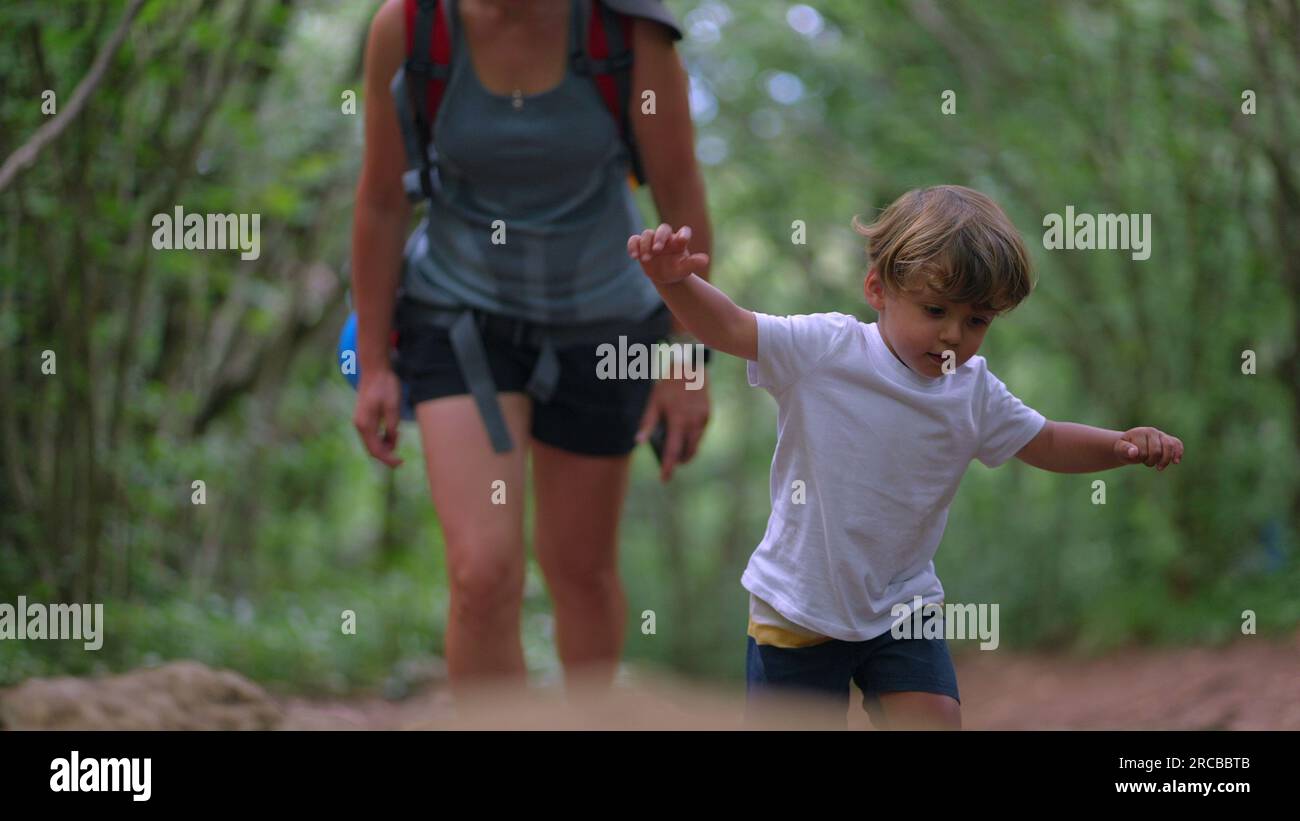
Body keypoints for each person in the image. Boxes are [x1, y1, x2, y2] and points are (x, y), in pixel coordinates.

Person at [631, 185, 1185, 729]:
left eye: (977, 320)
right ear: (878, 288)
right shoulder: (825, 349)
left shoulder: (972, 390)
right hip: (799, 606)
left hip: (903, 606)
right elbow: (729, 327)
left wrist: (1119, 445)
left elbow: (1046, 440)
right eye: (935, 309)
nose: (952, 335)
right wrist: (675, 282)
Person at [349, 0, 712, 698]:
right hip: (460, 318)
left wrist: (685, 357)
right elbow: (381, 202)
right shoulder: (409, 28)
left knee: (579, 567)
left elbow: (681, 193)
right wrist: (372, 365)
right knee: (481, 572)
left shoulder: (626, 33)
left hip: (605, 322)